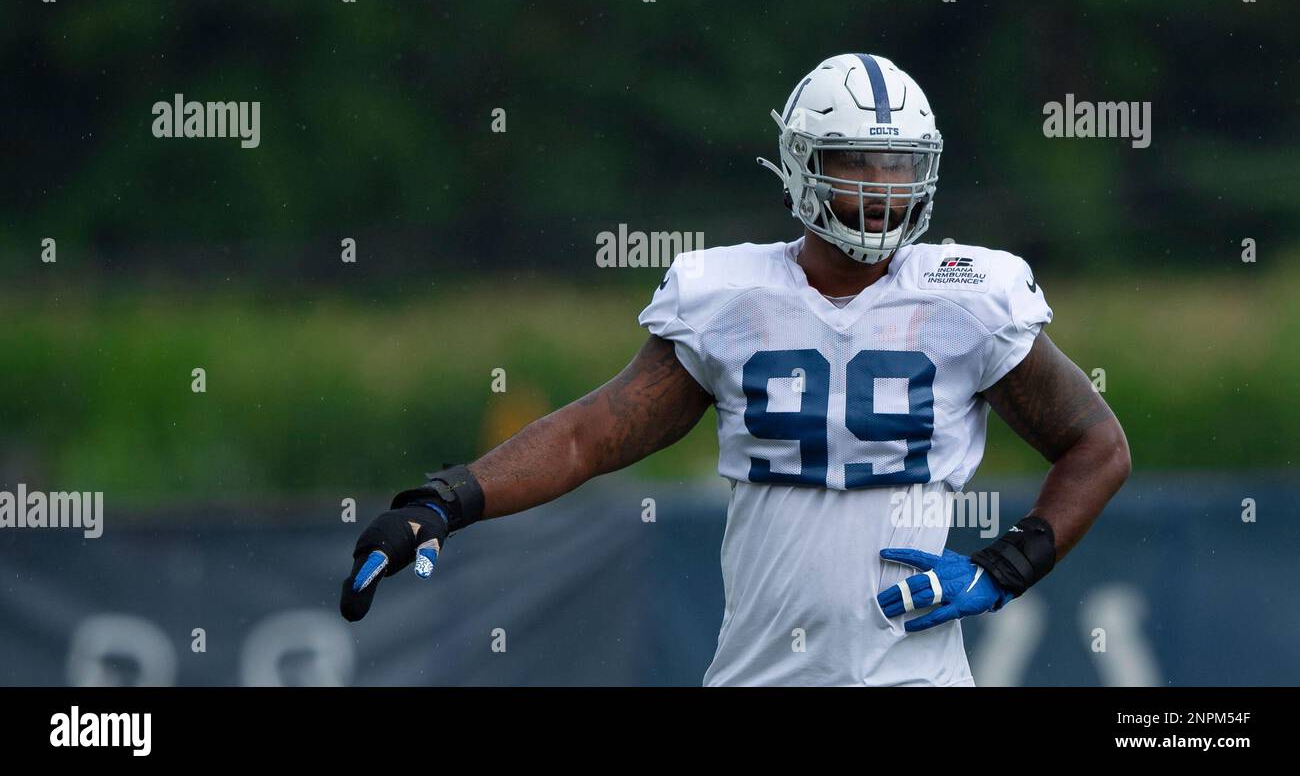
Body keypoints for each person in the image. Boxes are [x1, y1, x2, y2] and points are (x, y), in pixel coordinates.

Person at [339, 53, 1131, 686]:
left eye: (900, 165)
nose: (884, 189)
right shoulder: (732, 298)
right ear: (803, 164)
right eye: (858, 163)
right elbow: (591, 435)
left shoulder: (968, 297)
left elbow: (1097, 445)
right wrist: (444, 501)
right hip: (764, 671)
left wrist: (1008, 565)